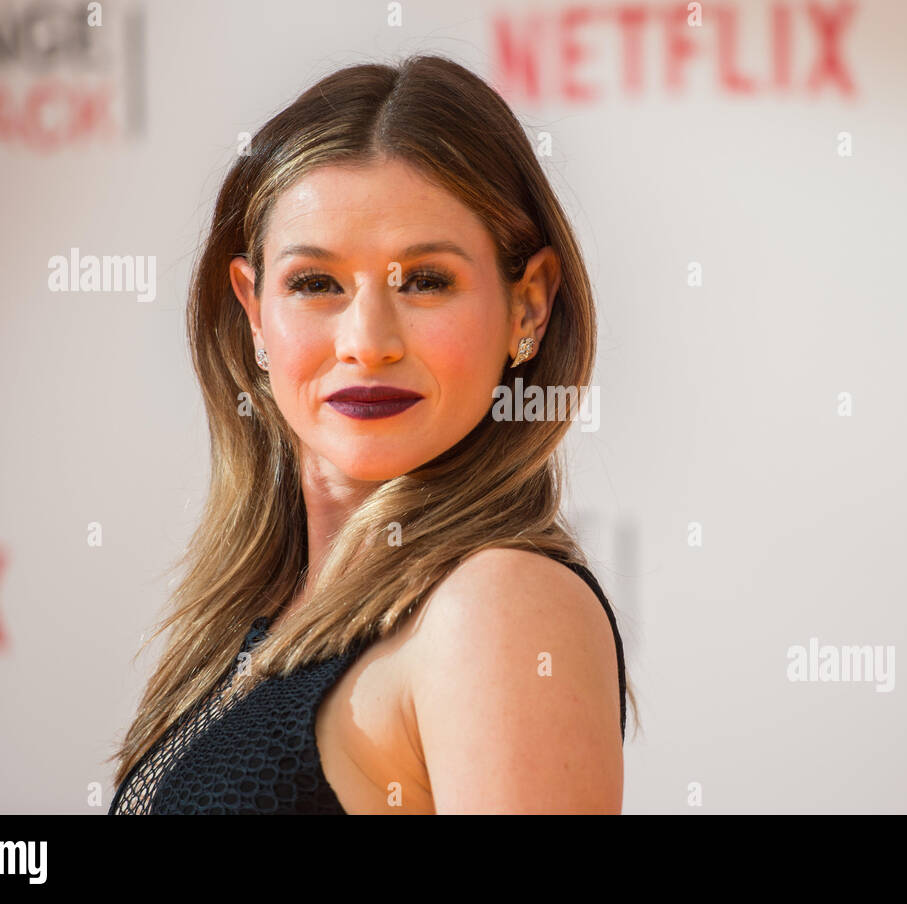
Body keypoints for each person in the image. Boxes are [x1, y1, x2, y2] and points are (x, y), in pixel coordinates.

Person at [106, 54, 634, 815]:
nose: (368, 341)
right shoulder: (249, 623)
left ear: (529, 307)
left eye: (425, 280)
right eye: (315, 284)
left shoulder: (499, 604)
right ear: (254, 310)